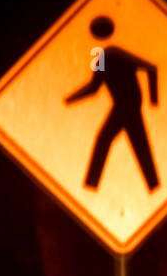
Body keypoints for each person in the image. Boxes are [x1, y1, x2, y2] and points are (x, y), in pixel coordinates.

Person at [64, 15, 160, 191]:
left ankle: (91, 184)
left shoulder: (115, 54)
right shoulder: (101, 58)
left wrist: (153, 100)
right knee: (136, 143)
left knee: (109, 139)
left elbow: (152, 69)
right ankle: (153, 185)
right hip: (122, 105)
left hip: (129, 104)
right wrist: (70, 99)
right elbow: (94, 87)